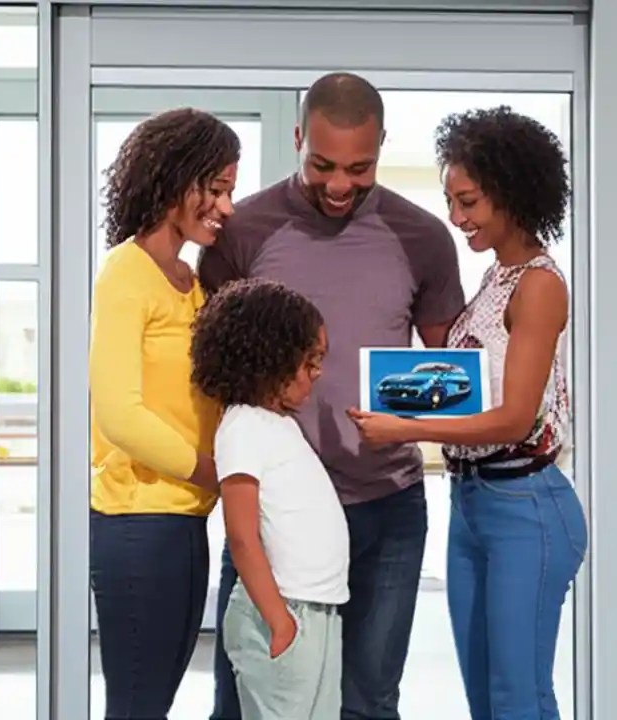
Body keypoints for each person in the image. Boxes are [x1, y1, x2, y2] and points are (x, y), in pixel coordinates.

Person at [198, 71, 464, 720]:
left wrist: (412, 420)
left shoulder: (423, 237)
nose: (340, 184)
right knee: (247, 700)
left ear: (380, 149)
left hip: (387, 507)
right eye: (322, 165)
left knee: (367, 704)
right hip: (272, 517)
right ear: (297, 139)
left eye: (359, 168)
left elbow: (451, 377)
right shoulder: (243, 231)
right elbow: (212, 365)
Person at [348, 106, 586, 720]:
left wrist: (406, 430)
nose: (458, 219)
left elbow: (512, 419)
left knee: (518, 699)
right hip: (473, 503)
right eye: (452, 202)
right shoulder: (494, 278)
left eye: (470, 202)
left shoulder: (540, 285)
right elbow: (465, 385)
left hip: (526, 507)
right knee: (485, 700)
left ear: (511, 191)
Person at [88, 107, 240, 719]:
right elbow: (118, 413)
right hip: (137, 527)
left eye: (231, 191)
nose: (226, 207)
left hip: (184, 523)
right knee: (137, 707)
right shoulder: (126, 271)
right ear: (175, 178)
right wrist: (210, 470)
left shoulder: (191, 280)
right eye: (217, 188)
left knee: (157, 702)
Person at [190, 278, 346, 720]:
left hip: (314, 611)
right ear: (271, 359)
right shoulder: (243, 427)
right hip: (280, 611)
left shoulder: (275, 424)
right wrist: (278, 620)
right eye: (310, 360)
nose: (317, 372)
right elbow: (241, 537)